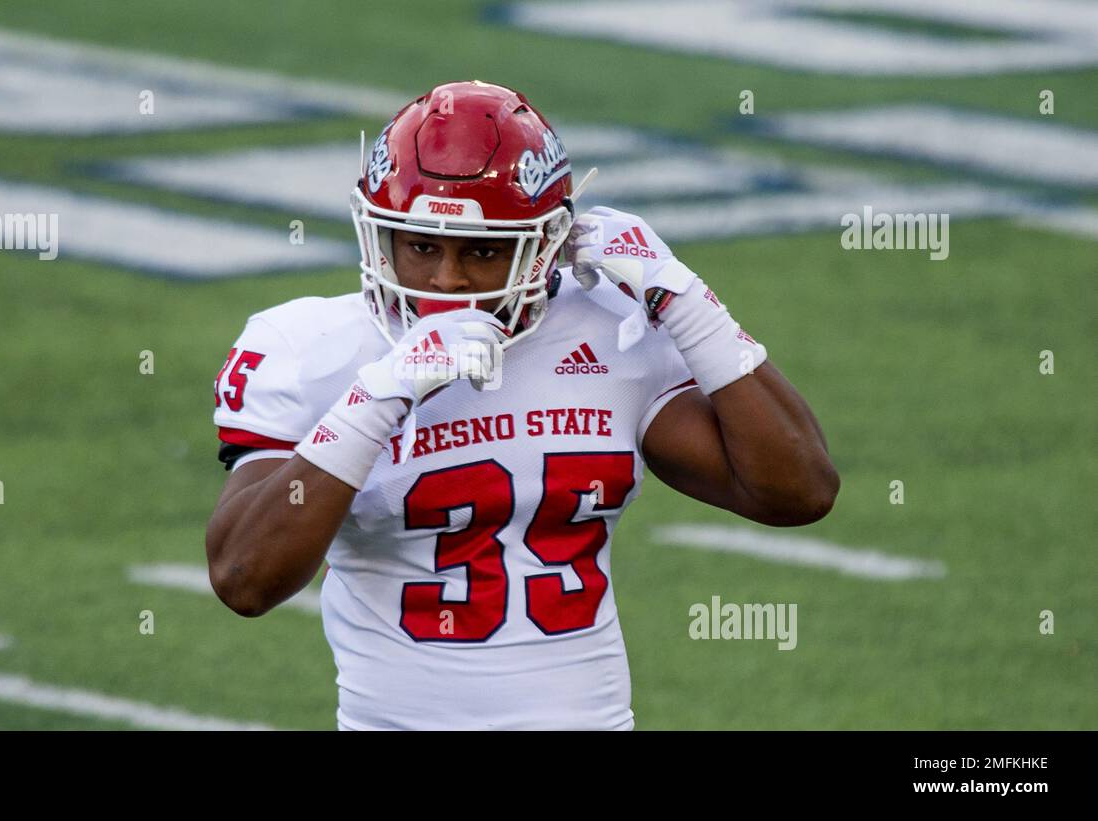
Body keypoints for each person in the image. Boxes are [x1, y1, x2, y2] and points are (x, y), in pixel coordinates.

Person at [205, 80, 838, 730]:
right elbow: (243, 577)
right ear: (379, 233)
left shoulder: (604, 328)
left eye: (482, 250)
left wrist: (684, 298)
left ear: (544, 244)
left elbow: (797, 491)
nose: (447, 279)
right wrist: (379, 395)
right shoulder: (311, 347)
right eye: (422, 246)